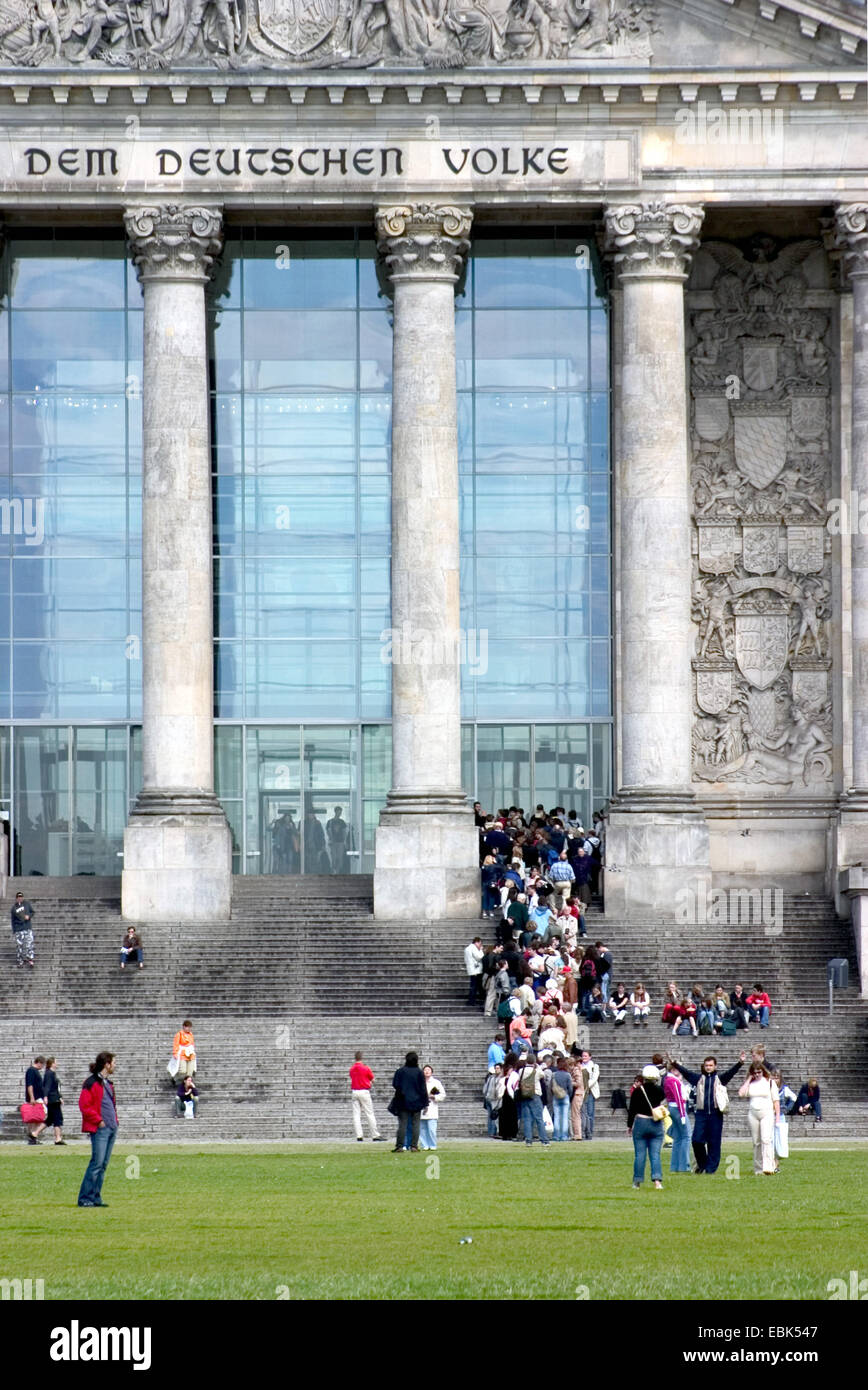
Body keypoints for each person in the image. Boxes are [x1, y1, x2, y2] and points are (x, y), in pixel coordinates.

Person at [677, 1053, 746, 1174]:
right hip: (701, 1114)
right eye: (706, 1065)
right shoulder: (698, 1079)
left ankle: (710, 1169)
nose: (708, 1067)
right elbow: (686, 1073)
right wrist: (674, 1064)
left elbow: (731, 1073)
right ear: (703, 1066)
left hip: (715, 1114)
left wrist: (740, 1063)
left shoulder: (719, 1079)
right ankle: (703, 1164)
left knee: (714, 1142)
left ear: (715, 1066)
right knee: (696, 1140)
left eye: (710, 1065)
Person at [77, 1052, 118, 1208]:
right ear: (106, 1064)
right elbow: (84, 1106)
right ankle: (85, 1198)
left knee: (103, 1165)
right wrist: (98, 1121)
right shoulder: (91, 1082)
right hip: (100, 1128)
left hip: (111, 1127)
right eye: (113, 1062)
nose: (115, 1065)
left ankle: (95, 1197)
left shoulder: (108, 1083)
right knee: (96, 1163)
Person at [627, 1064, 666, 1189]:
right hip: (655, 1123)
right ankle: (657, 1181)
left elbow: (632, 1110)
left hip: (641, 1122)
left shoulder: (638, 1091)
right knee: (655, 1154)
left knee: (640, 1154)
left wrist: (629, 1125)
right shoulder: (660, 1090)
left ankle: (637, 1182)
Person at [738, 1061, 780, 1175]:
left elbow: (776, 1101)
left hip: (767, 1113)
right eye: (754, 1073)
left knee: (766, 1139)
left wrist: (777, 1117)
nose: (757, 1074)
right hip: (753, 1113)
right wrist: (748, 1079)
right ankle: (758, 1168)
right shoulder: (751, 1083)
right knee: (756, 1142)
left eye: (759, 1072)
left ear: (763, 1071)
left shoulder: (770, 1082)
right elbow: (741, 1093)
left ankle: (769, 1166)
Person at [390, 1051, 428, 1152]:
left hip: (403, 1101)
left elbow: (395, 1085)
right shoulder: (419, 1072)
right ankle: (414, 1146)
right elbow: (423, 1088)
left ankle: (399, 1146)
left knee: (402, 1124)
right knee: (416, 1124)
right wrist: (425, 1103)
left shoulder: (400, 1071)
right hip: (417, 1101)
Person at [349, 1050, 384, 1142]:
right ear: (362, 1058)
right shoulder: (366, 1068)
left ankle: (359, 1135)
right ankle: (375, 1135)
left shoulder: (352, 1069)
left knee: (356, 1114)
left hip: (355, 1091)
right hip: (364, 1091)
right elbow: (373, 1079)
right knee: (369, 1113)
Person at [663, 1061, 691, 1173]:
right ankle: (684, 1165)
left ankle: (675, 1165)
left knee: (678, 1137)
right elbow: (678, 1098)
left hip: (673, 1108)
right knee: (686, 1136)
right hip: (678, 1108)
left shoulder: (669, 1080)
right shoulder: (673, 1081)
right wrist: (683, 1114)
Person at [517, 1054, 550, 1146]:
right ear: (534, 1062)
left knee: (527, 1119)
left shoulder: (521, 1071)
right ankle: (544, 1140)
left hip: (524, 1095)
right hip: (535, 1094)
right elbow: (542, 1075)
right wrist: (539, 1067)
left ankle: (528, 1141)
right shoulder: (536, 1071)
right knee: (539, 1118)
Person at [419, 1065, 445, 1150]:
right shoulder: (419, 1082)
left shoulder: (436, 1082)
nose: (427, 1071)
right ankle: (424, 1145)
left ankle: (432, 1145)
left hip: (432, 1107)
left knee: (431, 1129)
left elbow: (443, 1094)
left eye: (428, 1070)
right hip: (421, 1107)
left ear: (431, 1072)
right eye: (425, 1070)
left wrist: (434, 1097)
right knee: (422, 1129)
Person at [549, 1055, 573, 1141]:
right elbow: (570, 1088)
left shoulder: (554, 1074)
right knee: (565, 1117)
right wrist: (568, 1095)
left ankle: (556, 1135)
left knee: (557, 1117)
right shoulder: (567, 1075)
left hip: (556, 1096)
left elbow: (550, 1087)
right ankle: (564, 1136)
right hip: (565, 1096)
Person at [23, 1055, 46, 1144]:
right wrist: (32, 1097)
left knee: (36, 1118)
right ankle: (32, 1135)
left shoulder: (34, 1071)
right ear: (39, 1063)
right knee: (37, 1117)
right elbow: (30, 1085)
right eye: (42, 1065)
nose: (42, 1067)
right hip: (35, 1098)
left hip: (37, 1097)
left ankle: (33, 1136)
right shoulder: (31, 1071)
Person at [43, 1056, 65, 1145]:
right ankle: (58, 1138)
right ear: (52, 1063)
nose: (57, 1063)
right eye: (56, 1062)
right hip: (53, 1099)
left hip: (55, 1097)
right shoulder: (50, 1074)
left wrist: (60, 1097)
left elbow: (55, 1088)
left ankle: (34, 1133)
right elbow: (47, 1086)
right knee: (57, 1117)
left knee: (50, 1119)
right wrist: (45, 1096)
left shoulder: (51, 1073)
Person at [11, 890, 35, 968]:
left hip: (27, 927)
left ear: (23, 897)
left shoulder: (27, 904)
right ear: (16, 898)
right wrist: (14, 930)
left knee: (30, 943)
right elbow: (12, 920)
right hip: (18, 929)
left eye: (21, 897)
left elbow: (32, 912)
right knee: (19, 945)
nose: (20, 898)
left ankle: (30, 959)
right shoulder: (14, 908)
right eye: (18, 897)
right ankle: (20, 960)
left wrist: (29, 916)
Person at [580, 1048, 599, 1140]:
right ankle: (583, 1131)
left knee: (590, 1113)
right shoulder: (579, 1065)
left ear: (590, 1057)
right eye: (583, 1056)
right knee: (583, 1113)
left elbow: (594, 1078)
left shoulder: (595, 1066)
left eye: (586, 1056)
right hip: (582, 1091)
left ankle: (590, 1132)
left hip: (590, 1091)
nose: (584, 1057)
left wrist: (586, 1086)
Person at [326, 806, 350, 873]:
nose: (339, 814)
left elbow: (344, 832)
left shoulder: (342, 822)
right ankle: (334, 870)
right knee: (334, 857)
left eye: (340, 812)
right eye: (338, 812)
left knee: (340, 857)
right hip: (333, 842)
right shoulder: (330, 822)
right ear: (335, 812)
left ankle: (338, 871)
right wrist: (331, 839)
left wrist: (345, 842)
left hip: (340, 842)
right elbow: (328, 831)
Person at [482, 1064, 504, 1137]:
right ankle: (492, 1132)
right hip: (492, 1099)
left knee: (491, 1116)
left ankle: (491, 1132)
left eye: (498, 1068)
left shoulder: (490, 1078)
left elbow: (485, 1089)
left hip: (489, 1098)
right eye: (496, 1068)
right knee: (493, 1116)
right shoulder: (495, 1078)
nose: (497, 1070)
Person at [464, 936, 484, 1005]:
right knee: (474, 986)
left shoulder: (467, 948)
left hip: (471, 969)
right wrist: (481, 950)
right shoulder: (473, 948)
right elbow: (479, 957)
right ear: (476, 942)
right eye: (480, 944)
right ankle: (471, 1000)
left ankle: (472, 1000)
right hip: (476, 970)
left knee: (473, 985)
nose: (480, 946)